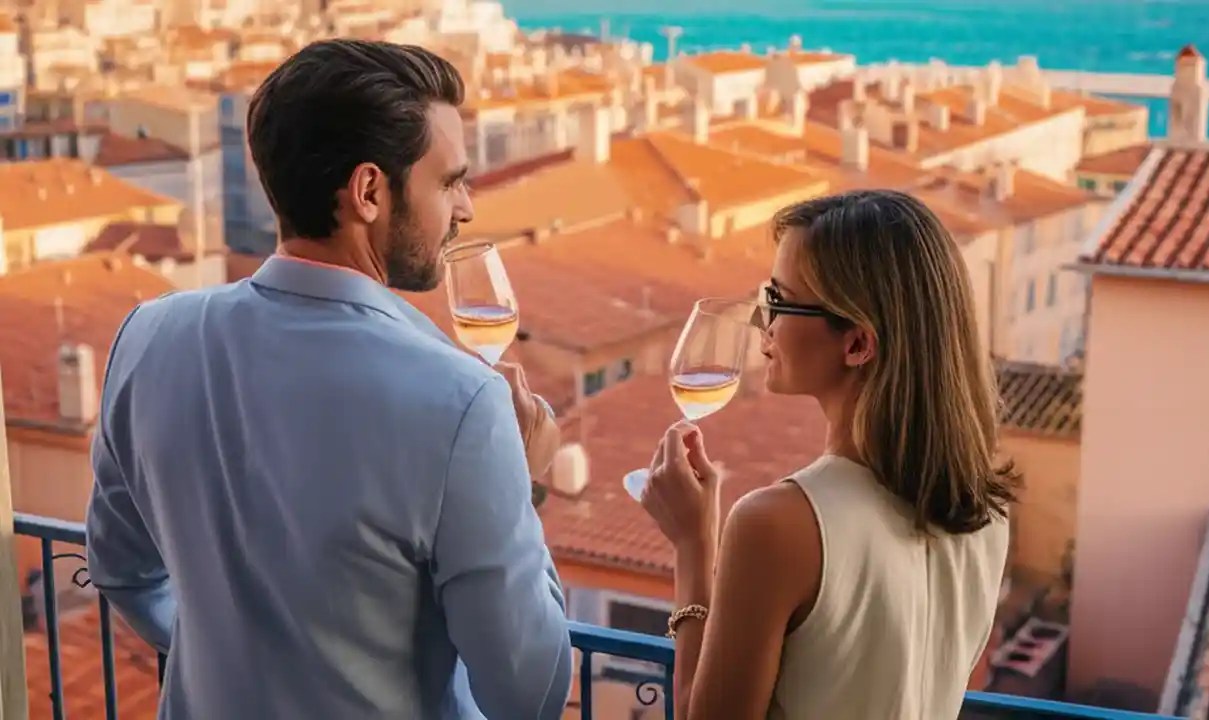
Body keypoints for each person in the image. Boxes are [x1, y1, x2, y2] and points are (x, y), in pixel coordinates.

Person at [85, 39, 571, 719]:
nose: (465, 208)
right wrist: (523, 485)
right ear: (369, 191)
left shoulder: (149, 337)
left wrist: (233, 662)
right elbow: (528, 694)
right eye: (449, 181)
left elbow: (121, 571)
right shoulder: (462, 404)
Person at [640, 190, 1017, 719]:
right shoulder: (986, 513)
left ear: (858, 344)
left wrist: (693, 542)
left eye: (780, 298)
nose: (763, 323)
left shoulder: (779, 525)